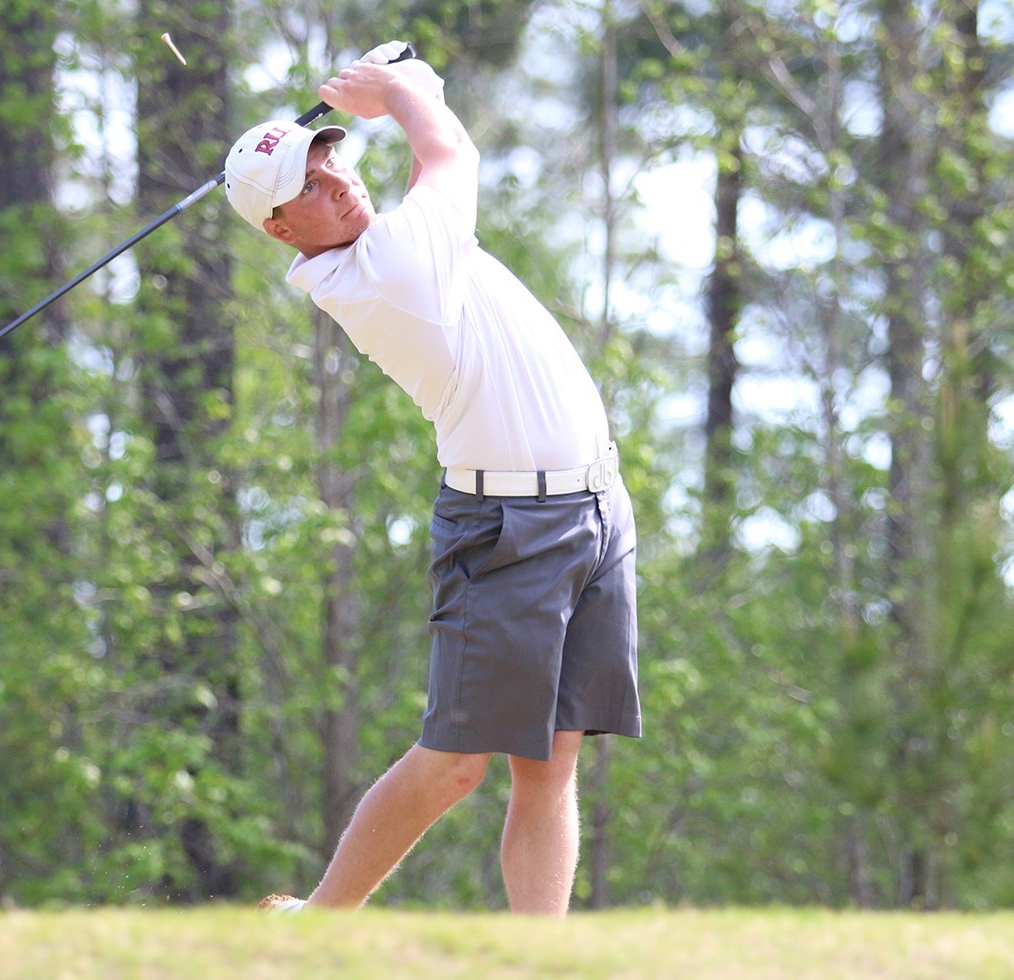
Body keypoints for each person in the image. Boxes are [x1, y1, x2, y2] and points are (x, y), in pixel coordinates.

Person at [224, 42, 640, 917]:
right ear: (282, 231)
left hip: (596, 510)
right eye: (308, 187)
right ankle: (319, 924)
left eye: (330, 160)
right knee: (455, 763)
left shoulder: (395, 237)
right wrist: (399, 91)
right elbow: (451, 153)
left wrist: (412, 89)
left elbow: (429, 148)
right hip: (508, 528)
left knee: (553, 762)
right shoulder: (392, 271)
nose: (337, 183)